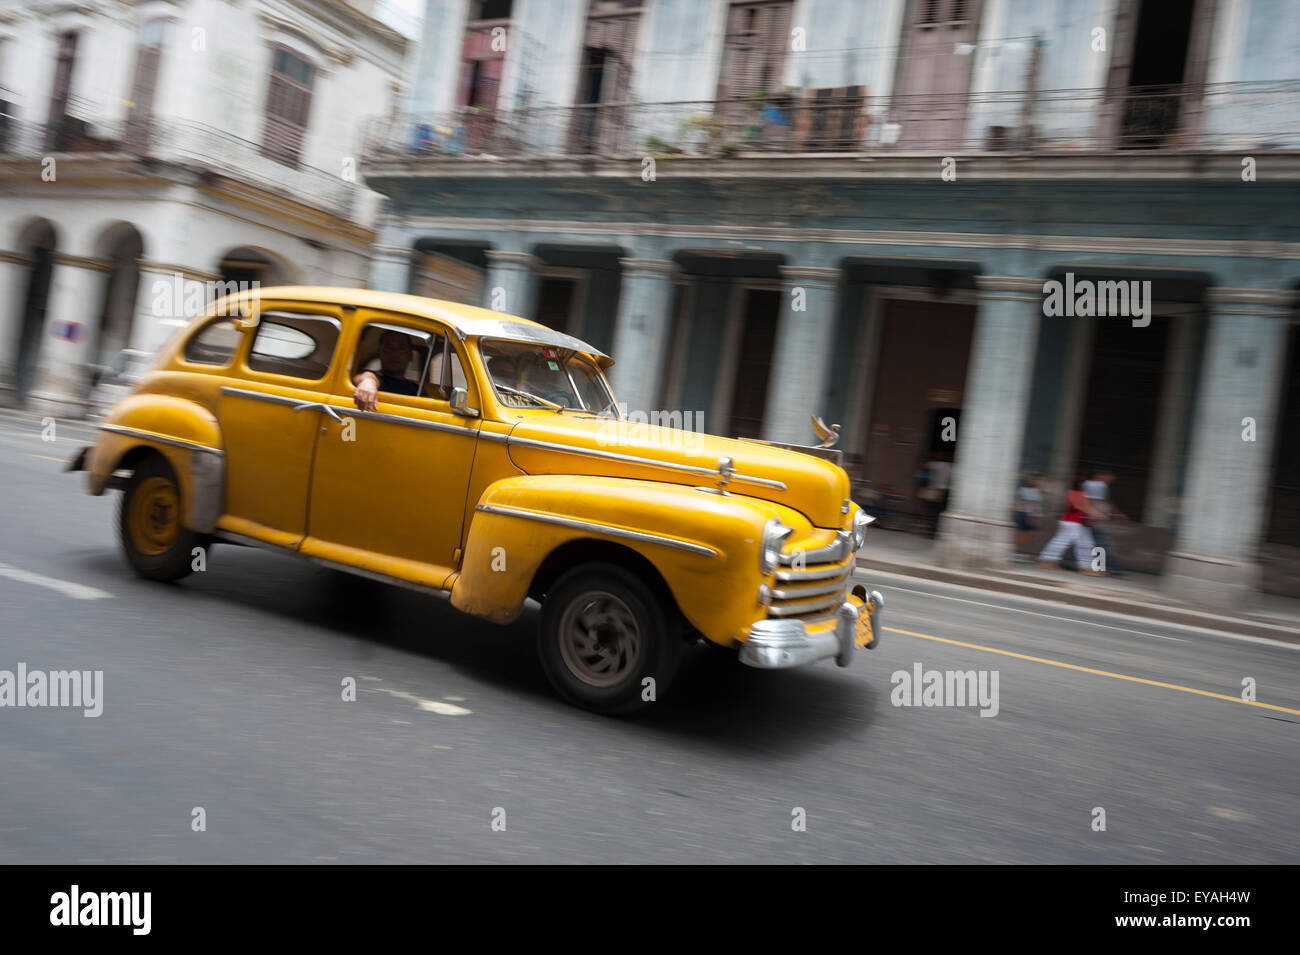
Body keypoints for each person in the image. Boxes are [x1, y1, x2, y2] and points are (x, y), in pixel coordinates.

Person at [1038, 476, 1106, 575]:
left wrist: (1095, 514)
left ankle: (1088, 567)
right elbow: (1079, 506)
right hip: (1071, 522)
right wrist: (1096, 514)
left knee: (1086, 544)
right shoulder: (1075, 492)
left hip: (1080, 523)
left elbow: (1085, 507)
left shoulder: (1084, 494)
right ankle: (1047, 560)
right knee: (1062, 542)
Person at [353, 330, 419, 411]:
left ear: (410, 355)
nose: (395, 353)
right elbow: (365, 376)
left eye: (402, 348)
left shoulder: (417, 389)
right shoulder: (379, 380)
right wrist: (368, 382)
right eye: (389, 348)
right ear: (379, 352)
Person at [1083, 470, 1128, 576]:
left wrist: (1117, 514)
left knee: (1097, 544)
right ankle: (1108, 568)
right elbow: (1095, 501)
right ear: (1102, 475)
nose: (1111, 480)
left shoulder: (1093, 485)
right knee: (1102, 544)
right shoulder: (1098, 485)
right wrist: (1096, 516)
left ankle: (1108, 567)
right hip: (1095, 520)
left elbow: (1105, 503)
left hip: (1094, 519)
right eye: (1111, 477)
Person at [1014, 472, 1044, 559]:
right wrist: (1032, 516)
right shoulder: (1027, 490)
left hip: (1029, 514)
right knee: (1027, 533)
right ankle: (1014, 550)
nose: (1042, 482)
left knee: (1031, 534)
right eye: (1041, 480)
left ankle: (1016, 550)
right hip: (1026, 514)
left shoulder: (1037, 490)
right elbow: (1028, 504)